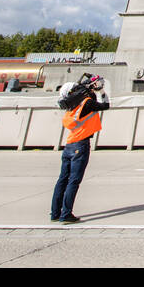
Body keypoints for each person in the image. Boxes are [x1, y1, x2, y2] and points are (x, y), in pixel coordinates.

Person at [50, 75, 110, 223]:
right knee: (74, 181)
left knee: (62, 180)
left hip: (69, 144)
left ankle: (55, 213)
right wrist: (101, 91)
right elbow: (106, 105)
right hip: (81, 145)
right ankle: (66, 214)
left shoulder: (71, 106)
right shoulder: (86, 103)